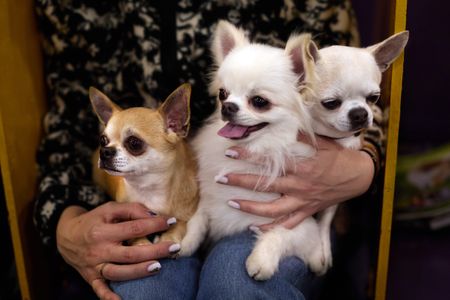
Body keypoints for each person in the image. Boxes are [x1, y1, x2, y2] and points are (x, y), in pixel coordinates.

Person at [33, 1, 383, 299]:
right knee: (143, 291)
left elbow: (359, 86)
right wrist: (65, 220)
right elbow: (66, 123)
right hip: (151, 203)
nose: (231, 107)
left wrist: (364, 161)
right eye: (224, 96)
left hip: (289, 200)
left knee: (236, 284)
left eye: (258, 101)